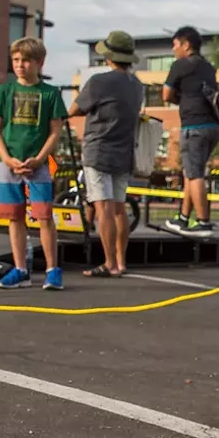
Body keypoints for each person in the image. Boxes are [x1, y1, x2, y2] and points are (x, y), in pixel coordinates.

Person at [0, 37, 67, 290]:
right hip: (8, 163)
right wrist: (7, 158)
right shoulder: (4, 91)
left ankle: (52, 270)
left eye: (25, 60)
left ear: (39, 63)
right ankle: (20, 268)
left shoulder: (51, 93)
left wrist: (40, 159)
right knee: (15, 217)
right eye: (15, 60)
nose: (20, 65)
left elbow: (55, 131)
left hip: (39, 164)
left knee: (44, 216)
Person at [71, 30, 144, 278]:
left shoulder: (99, 82)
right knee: (119, 208)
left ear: (109, 56)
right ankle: (121, 262)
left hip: (98, 150)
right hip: (125, 152)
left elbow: (74, 109)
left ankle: (109, 263)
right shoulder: (137, 86)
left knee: (102, 207)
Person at [163, 25, 219, 238]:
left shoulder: (180, 65)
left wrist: (182, 99)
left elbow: (166, 95)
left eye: (175, 44)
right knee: (190, 172)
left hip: (194, 127)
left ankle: (204, 223)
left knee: (195, 175)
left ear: (186, 45)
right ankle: (183, 218)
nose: (173, 49)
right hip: (213, 127)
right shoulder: (208, 67)